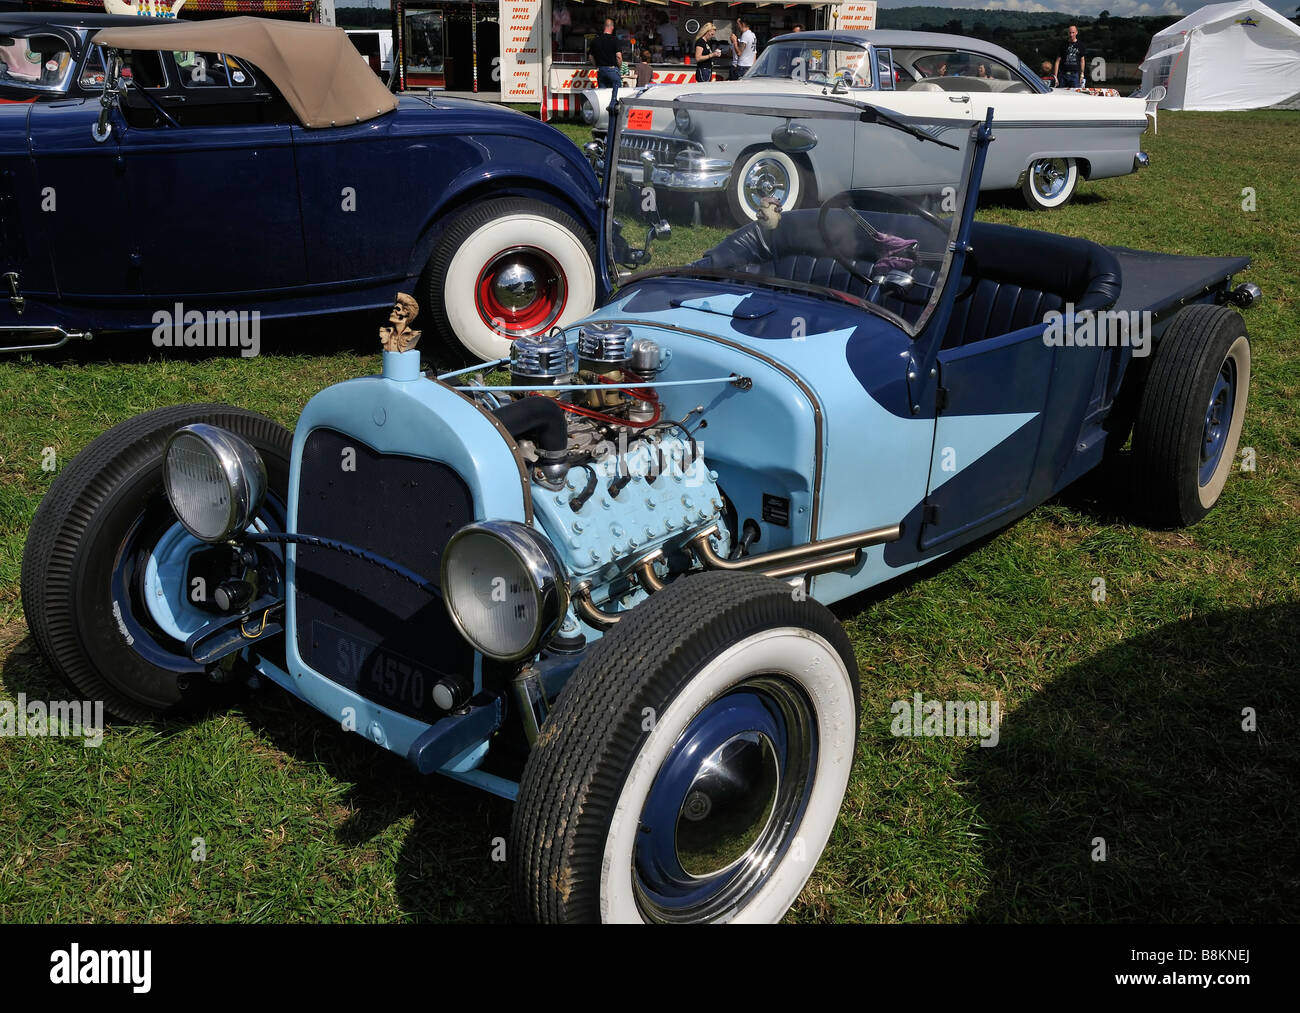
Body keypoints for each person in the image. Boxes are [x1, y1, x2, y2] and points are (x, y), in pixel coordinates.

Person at [591, 18, 623, 104]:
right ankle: (613, 114)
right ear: (612, 27)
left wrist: (596, 66)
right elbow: (619, 57)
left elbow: (591, 57)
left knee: (602, 96)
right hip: (612, 70)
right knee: (616, 96)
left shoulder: (595, 40)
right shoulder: (615, 40)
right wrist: (619, 68)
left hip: (601, 70)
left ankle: (604, 114)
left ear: (604, 27)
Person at [1054, 24, 1085, 90]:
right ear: (1068, 33)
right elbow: (1057, 61)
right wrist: (1055, 76)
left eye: (1073, 32)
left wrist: (1082, 74)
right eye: (1070, 33)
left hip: (1075, 75)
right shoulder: (1063, 45)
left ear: (1076, 32)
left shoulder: (1080, 45)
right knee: (1061, 93)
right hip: (1063, 75)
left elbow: (1082, 60)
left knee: (1075, 95)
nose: (1071, 35)